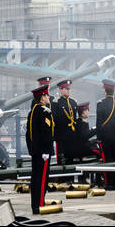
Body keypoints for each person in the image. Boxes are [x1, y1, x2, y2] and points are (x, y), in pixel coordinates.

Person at [26, 85, 55, 214]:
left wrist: (32, 150)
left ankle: (34, 205)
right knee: (42, 179)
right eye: (47, 95)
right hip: (43, 152)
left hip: (35, 151)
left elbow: (28, 135)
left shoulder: (32, 112)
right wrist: (46, 150)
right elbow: (46, 133)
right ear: (42, 97)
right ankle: (40, 205)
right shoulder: (45, 111)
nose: (48, 97)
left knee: (35, 178)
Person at [52, 80, 78, 162]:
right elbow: (55, 119)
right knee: (61, 160)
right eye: (66, 89)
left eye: (69, 89)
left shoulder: (73, 102)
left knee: (71, 159)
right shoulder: (56, 103)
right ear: (60, 90)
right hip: (61, 136)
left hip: (72, 135)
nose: (68, 90)